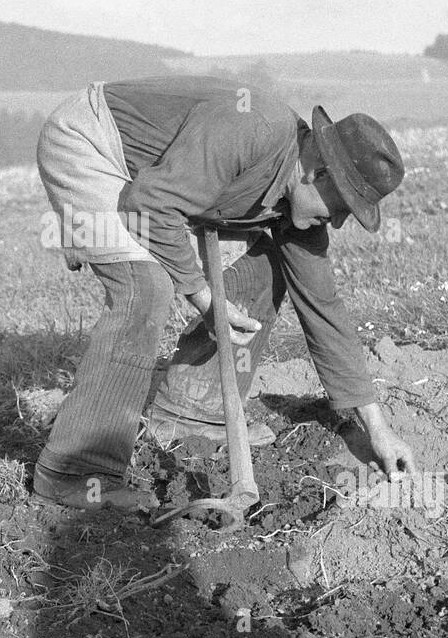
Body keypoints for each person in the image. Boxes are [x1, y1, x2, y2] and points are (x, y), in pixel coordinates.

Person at [32, 76, 417, 513]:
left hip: (156, 181)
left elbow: (323, 309)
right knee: (146, 288)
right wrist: (201, 294)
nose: (341, 221)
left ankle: (191, 411)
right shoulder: (252, 129)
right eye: (343, 206)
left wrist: (377, 427)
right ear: (318, 172)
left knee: (266, 265)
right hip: (95, 145)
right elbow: (150, 205)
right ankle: (72, 473)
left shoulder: (296, 198)